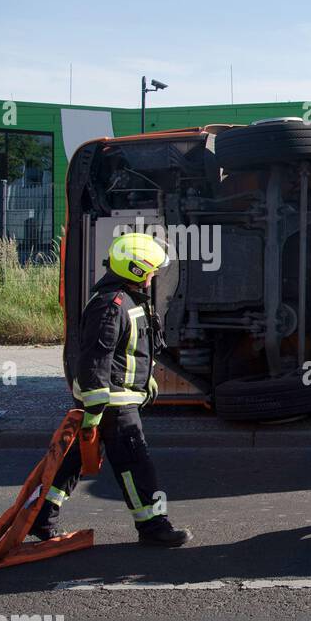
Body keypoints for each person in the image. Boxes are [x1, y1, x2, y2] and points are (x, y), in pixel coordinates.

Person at [30, 232, 192, 547]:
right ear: (135, 270)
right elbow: (95, 360)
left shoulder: (127, 299)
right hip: (112, 405)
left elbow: (129, 350)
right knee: (136, 465)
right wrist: (94, 410)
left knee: (70, 463)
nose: (154, 275)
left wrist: (147, 381)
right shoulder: (112, 305)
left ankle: (41, 518)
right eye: (150, 270)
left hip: (113, 401)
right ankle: (154, 527)